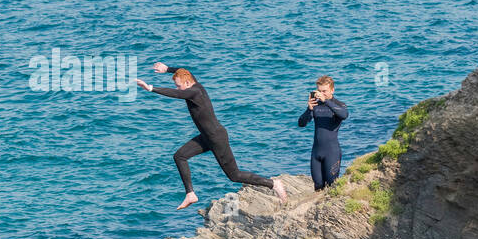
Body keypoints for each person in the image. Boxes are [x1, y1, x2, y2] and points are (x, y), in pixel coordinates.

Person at [137, 62, 288, 209]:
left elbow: (177, 94)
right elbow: (186, 71)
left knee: (234, 175)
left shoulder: (194, 91)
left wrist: (151, 88)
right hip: (206, 137)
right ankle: (190, 194)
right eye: (177, 85)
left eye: (179, 85)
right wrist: (168, 69)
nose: (178, 88)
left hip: (216, 138)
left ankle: (274, 184)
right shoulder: (193, 83)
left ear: (188, 82)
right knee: (179, 156)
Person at [298, 75, 349, 191]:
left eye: (324, 91)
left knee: (332, 185)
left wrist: (326, 101)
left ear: (332, 90)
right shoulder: (315, 106)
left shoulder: (338, 104)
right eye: (319, 91)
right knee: (318, 185)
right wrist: (309, 109)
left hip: (332, 152)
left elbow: (344, 115)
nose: (321, 94)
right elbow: (301, 123)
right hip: (316, 152)